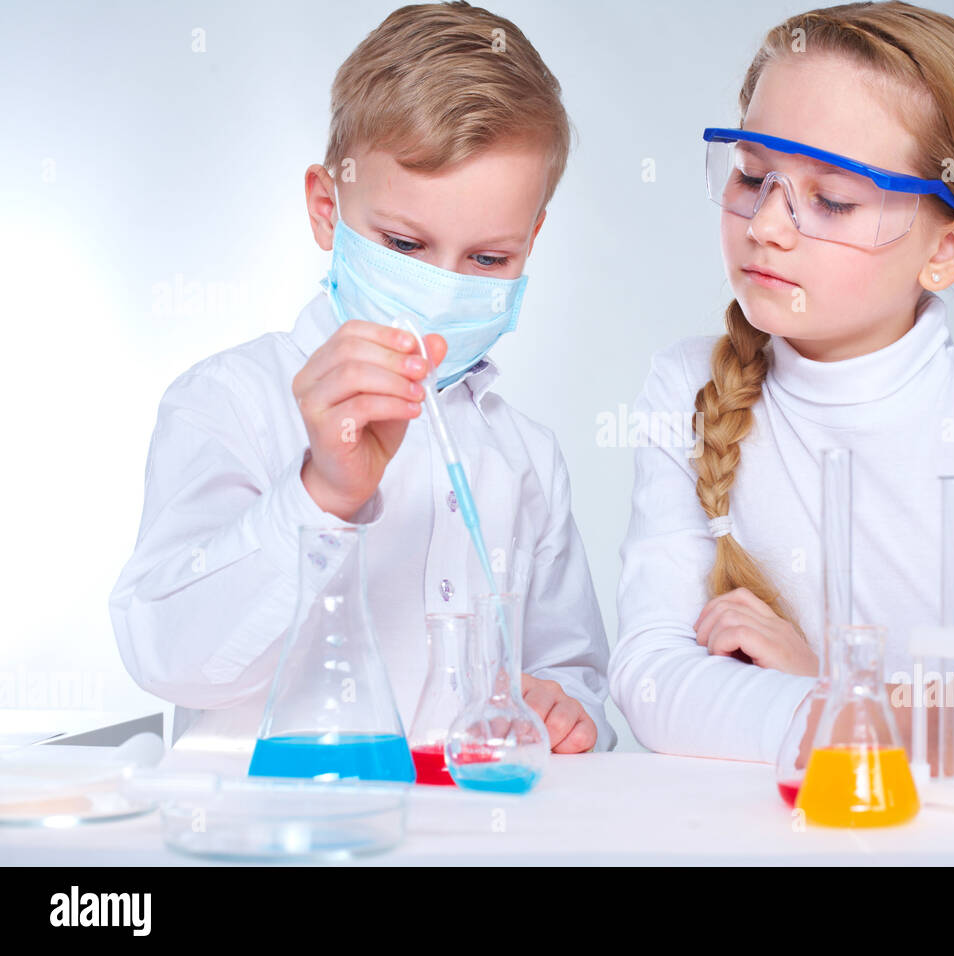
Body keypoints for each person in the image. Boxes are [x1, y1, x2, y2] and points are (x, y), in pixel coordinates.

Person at [611, 1, 954, 763]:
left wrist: (837, 688)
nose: (767, 225)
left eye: (833, 200)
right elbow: (653, 681)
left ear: (946, 249)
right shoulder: (687, 386)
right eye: (753, 177)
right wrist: (879, 716)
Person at [110, 2, 612, 753]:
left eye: (488, 259)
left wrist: (571, 708)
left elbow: (571, 672)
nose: (442, 291)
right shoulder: (231, 403)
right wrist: (319, 494)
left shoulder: (525, 458)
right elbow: (168, 656)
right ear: (326, 207)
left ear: (532, 239)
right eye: (405, 243)